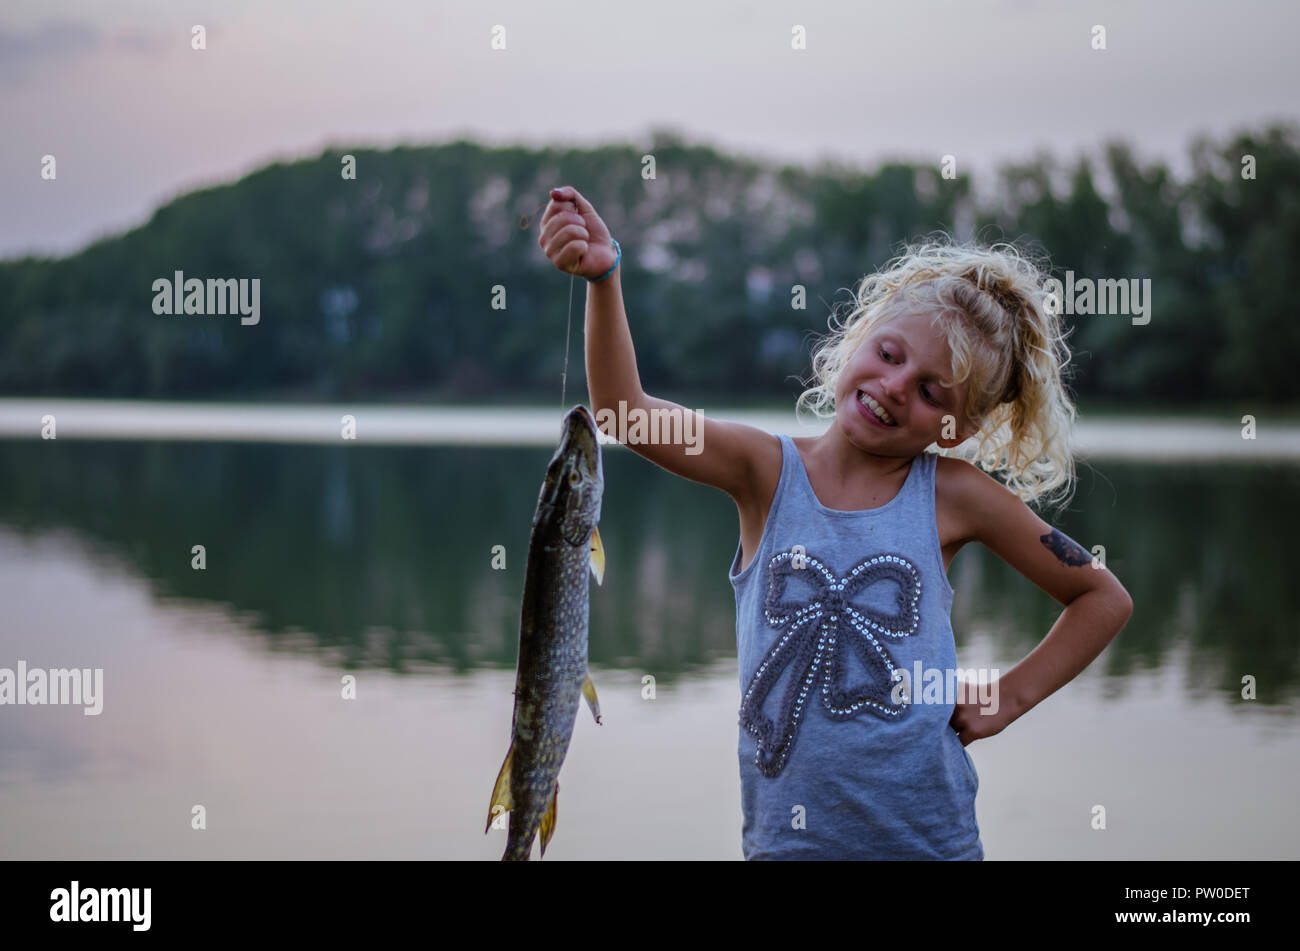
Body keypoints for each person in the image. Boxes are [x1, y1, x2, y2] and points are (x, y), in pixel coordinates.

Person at [537, 185, 1134, 860]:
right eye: (889, 354)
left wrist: (1010, 694)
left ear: (960, 427)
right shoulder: (764, 470)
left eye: (931, 391)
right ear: (859, 339)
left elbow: (1102, 597)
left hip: (931, 846)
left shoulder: (955, 495)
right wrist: (606, 274)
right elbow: (622, 412)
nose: (894, 387)